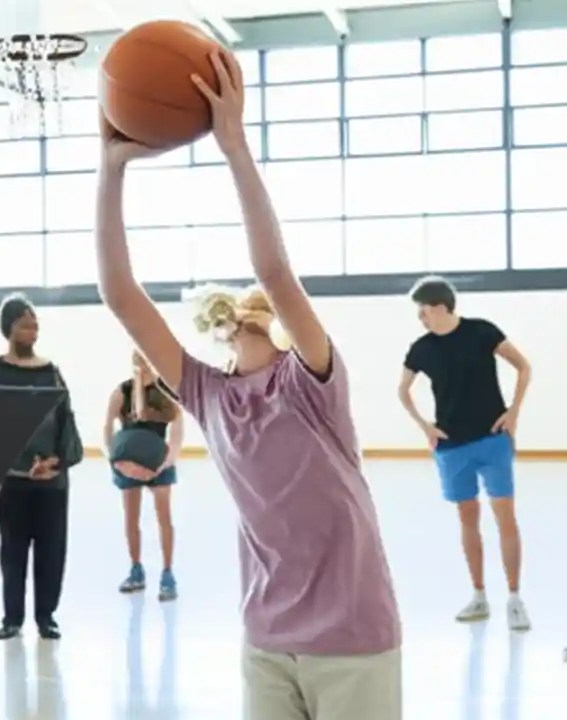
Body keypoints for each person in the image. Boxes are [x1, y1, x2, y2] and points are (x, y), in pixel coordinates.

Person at [94, 50, 402, 719]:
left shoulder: (313, 381)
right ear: (227, 326)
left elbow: (275, 270)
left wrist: (233, 146)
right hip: (266, 637)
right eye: (242, 313)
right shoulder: (207, 394)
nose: (253, 313)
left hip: (353, 639)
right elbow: (120, 296)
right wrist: (111, 167)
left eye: (261, 310)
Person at [398, 275, 533, 631]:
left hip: (492, 438)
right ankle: (478, 596)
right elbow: (403, 390)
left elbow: (523, 366)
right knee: (467, 519)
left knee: (505, 516)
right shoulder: (421, 348)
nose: (421, 318)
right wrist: (425, 426)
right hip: (451, 445)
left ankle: (515, 598)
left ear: (441, 307)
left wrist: (513, 412)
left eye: (424, 311)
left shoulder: (483, 332)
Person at [0, 293, 84, 642]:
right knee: (12, 550)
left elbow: (65, 421)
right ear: (9, 329)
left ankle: (46, 616)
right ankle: (12, 617)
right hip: (14, 480)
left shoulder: (51, 372)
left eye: (35, 323)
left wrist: (58, 461)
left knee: (52, 549)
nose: (33, 329)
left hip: (52, 480)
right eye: (25, 323)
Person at [105, 350, 184, 601]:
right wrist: (115, 461)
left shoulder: (166, 392)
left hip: (158, 461)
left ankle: (168, 573)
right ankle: (136, 569)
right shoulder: (122, 392)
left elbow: (177, 431)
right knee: (131, 517)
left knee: (164, 516)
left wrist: (166, 462)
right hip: (128, 461)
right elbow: (107, 426)